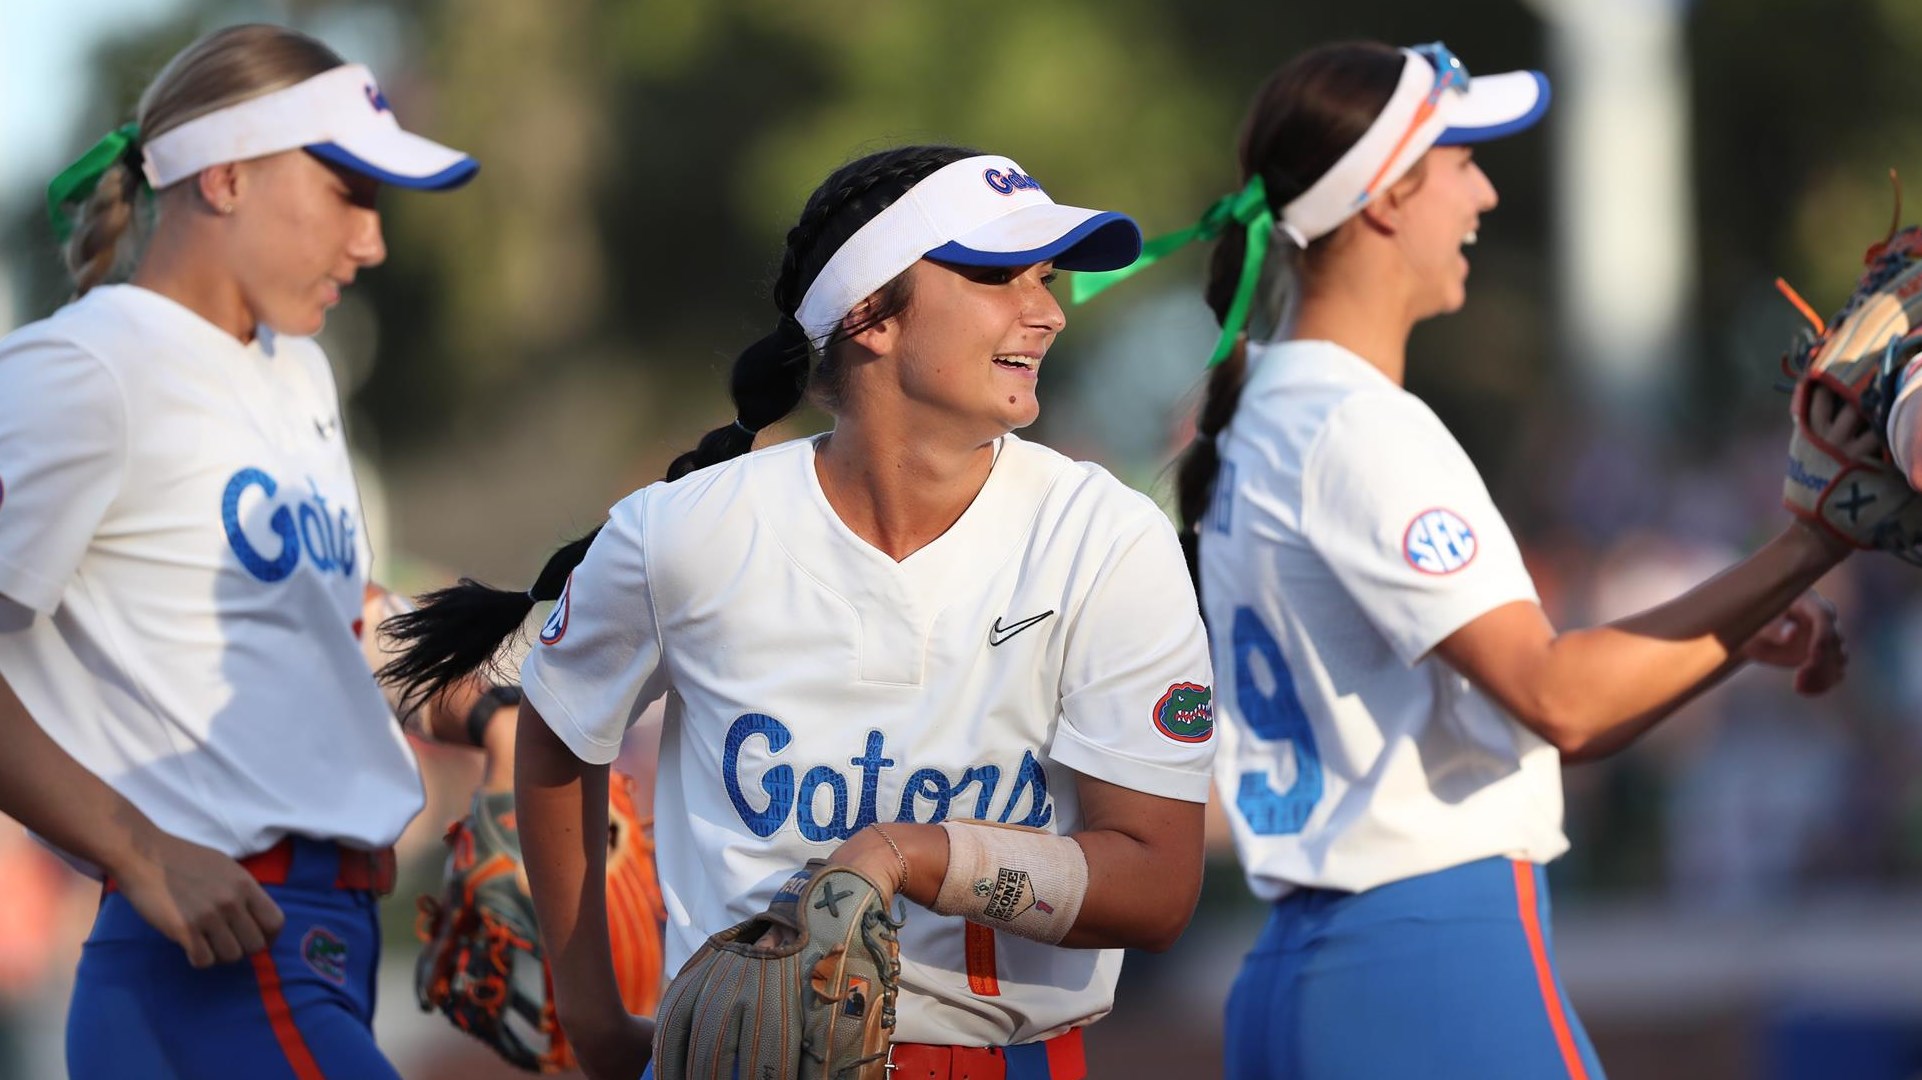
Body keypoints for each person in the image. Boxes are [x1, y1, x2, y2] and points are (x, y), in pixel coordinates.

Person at [1077, 40, 1866, 1079]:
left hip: (1298, 973)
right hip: (1430, 962)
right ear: (1384, 199)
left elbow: (1523, 693)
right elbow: (1560, 703)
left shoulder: (1264, 408)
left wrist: (1719, 633)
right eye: (1457, 159)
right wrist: (1816, 537)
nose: (1482, 192)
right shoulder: (1358, 427)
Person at [382, 144, 1217, 1080]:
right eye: (996, 275)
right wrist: (597, 1021)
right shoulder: (684, 533)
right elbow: (556, 735)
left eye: (1048, 276)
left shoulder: (1106, 538)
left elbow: (1155, 888)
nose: (1048, 311)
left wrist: (911, 854)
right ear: (867, 314)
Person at [0, 23, 513, 1078]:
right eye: (347, 192)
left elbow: (337, 615)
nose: (371, 242)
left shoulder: (295, 371)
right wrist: (135, 849)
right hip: (221, 952)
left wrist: (498, 708)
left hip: (315, 940)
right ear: (224, 176)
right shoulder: (84, 370)